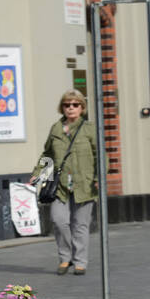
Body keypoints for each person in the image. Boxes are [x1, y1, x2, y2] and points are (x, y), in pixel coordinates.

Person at [33, 89, 97, 276]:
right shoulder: (56, 128)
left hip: (84, 184)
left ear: (82, 108)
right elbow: (48, 154)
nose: (70, 108)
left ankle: (80, 261)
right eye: (67, 105)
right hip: (59, 185)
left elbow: (100, 154)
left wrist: (98, 178)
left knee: (80, 224)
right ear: (62, 107)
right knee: (58, 220)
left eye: (75, 105)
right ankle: (65, 257)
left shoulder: (89, 129)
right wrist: (38, 174)